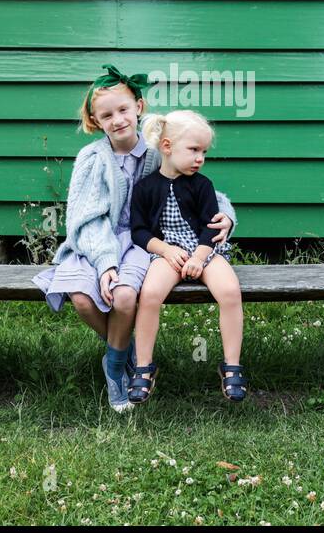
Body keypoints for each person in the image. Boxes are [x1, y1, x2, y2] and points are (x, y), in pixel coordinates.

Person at [31, 67, 237, 412]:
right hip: (95, 244)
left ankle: (115, 369)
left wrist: (227, 215)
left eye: (123, 110)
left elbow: (203, 189)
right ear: (96, 121)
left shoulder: (160, 150)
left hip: (142, 243)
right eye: (106, 115)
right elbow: (84, 219)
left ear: (139, 107)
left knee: (124, 297)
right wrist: (106, 262)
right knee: (82, 298)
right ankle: (123, 352)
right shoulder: (92, 159)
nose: (117, 120)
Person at [127, 109, 247, 404]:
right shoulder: (145, 188)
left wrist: (199, 257)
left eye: (204, 152)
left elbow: (211, 228)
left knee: (230, 291)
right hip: (168, 252)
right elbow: (139, 231)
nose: (200, 158)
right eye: (193, 150)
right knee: (151, 293)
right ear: (167, 147)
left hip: (204, 250)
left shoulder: (202, 185)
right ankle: (144, 367)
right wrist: (165, 250)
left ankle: (231, 366)